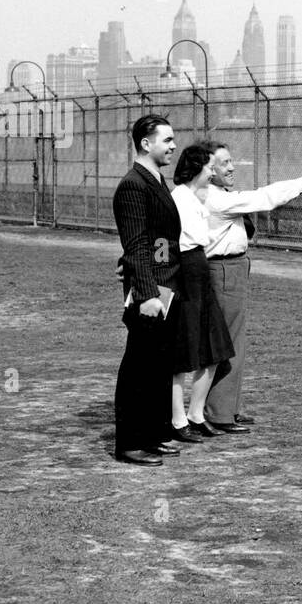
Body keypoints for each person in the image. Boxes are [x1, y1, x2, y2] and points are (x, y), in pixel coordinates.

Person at [195, 141, 302, 431]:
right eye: (224, 163)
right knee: (228, 343)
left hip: (232, 268)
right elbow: (266, 197)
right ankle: (220, 414)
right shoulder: (215, 199)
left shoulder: (215, 195)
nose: (232, 167)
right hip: (223, 270)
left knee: (233, 342)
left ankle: (227, 408)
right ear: (209, 170)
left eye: (230, 160)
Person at [113, 115, 184, 466]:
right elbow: (138, 244)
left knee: (158, 366)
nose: (173, 146)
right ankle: (130, 442)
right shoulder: (133, 185)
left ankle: (154, 435)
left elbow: (154, 240)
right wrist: (147, 295)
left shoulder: (155, 180)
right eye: (167, 140)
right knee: (139, 368)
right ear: (145, 143)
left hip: (166, 287)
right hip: (151, 293)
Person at [167, 143, 238, 442]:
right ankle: (177, 420)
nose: (213, 172)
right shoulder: (178, 199)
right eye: (209, 167)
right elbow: (166, 244)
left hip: (199, 268)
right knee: (182, 353)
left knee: (214, 348)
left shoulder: (199, 198)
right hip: (184, 270)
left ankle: (196, 414)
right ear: (196, 168)